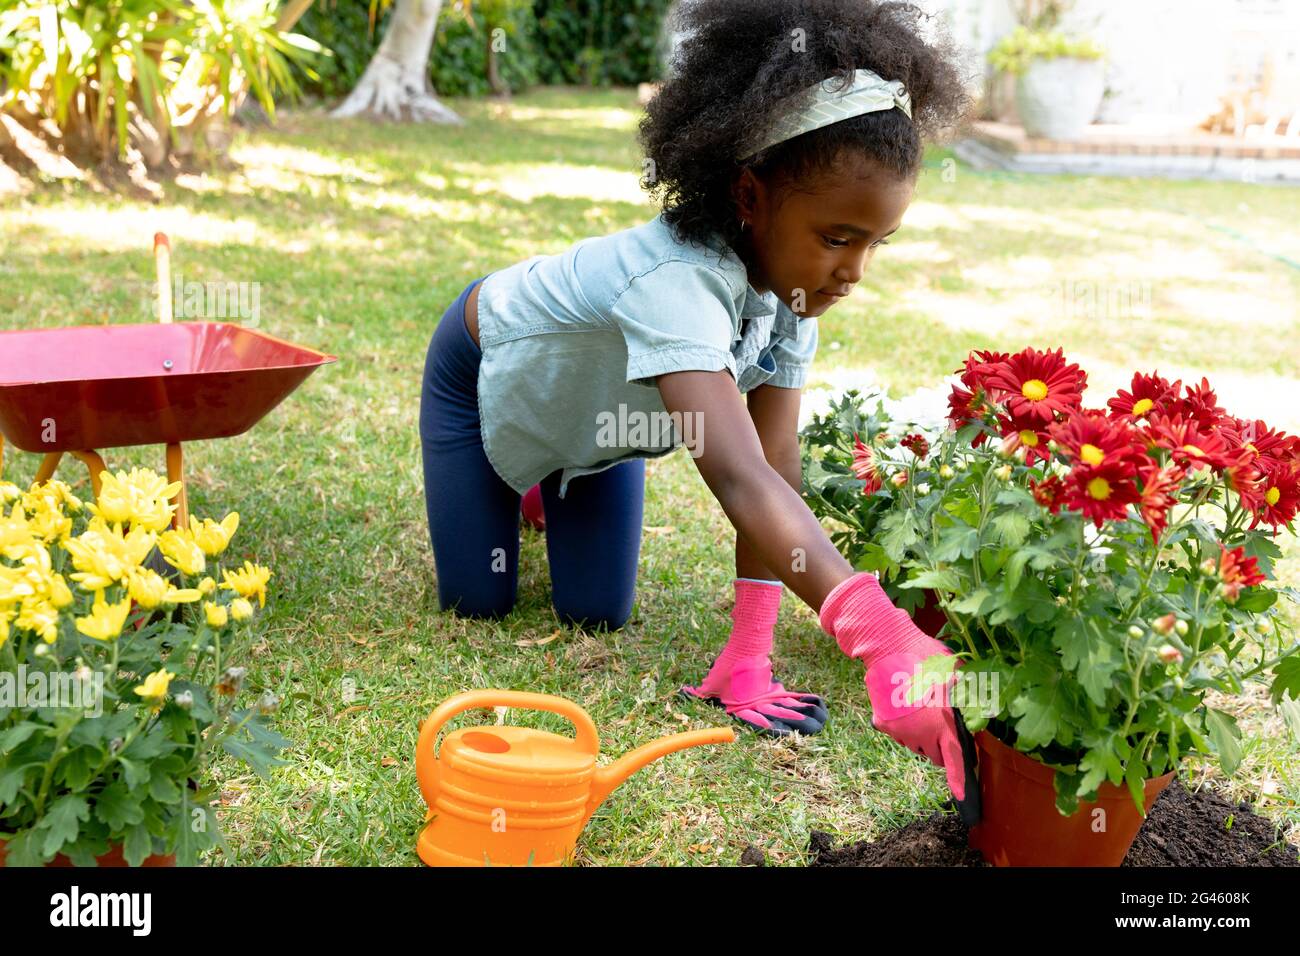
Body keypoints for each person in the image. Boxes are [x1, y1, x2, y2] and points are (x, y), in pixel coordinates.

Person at [419, 0, 973, 801]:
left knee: (595, 615)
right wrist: (883, 639)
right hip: (478, 378)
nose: (853, 272)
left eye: (873, 242)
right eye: (836, 237)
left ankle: (552, 477)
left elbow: (775, 471)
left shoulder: (793, 291)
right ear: (748, 194)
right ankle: (516, 479)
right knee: (481, 602)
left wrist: (749, 655)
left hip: (601, 433)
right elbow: (738, 476)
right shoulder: (675, 284)